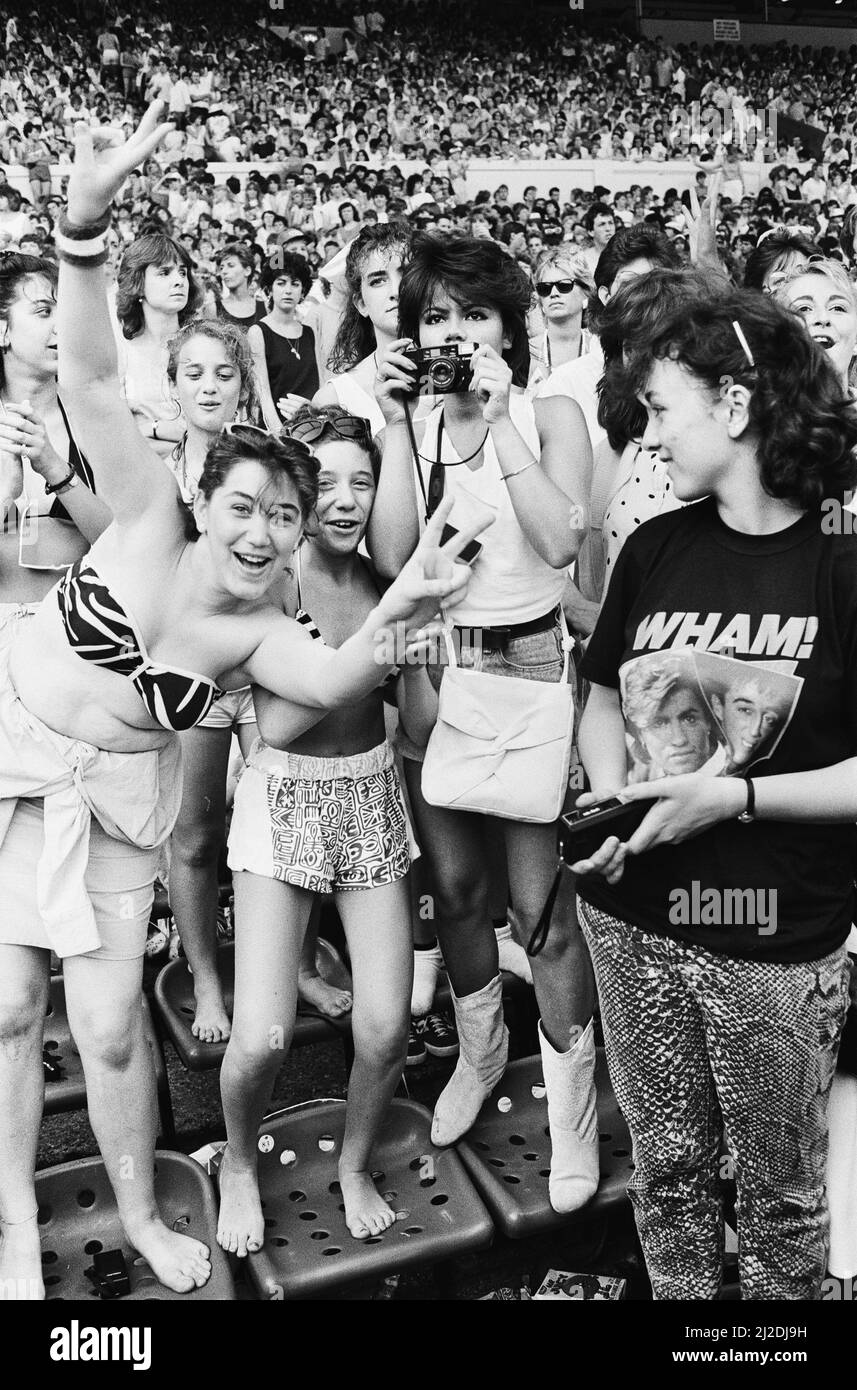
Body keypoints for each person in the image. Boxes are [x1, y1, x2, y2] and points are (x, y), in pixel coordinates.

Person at [0, 104, 480, 1301]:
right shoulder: (149, 511)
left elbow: (327, 681)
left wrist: (400, 604)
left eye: (285, 512)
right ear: (208, 496)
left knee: (105, 1029)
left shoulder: (264, 624)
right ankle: (13, 1215)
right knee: (12, 1005)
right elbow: (97, 370)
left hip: (121, 795)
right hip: (13, 748)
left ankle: (137, 1206)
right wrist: (83, 227)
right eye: (249, 504)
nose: (266, 529)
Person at [571, 288, 857, 1299]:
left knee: (779, 1197)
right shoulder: (655, 546)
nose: (646, 437)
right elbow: (599, 694)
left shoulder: (839, 558)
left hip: (770, 933)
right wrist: (614, 804)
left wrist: (732, 802)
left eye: (659, 407)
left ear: (732, 404)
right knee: (667, 1173)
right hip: (631, 917)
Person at [370, 233, 599, 1215]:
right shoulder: (416, 428)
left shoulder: (550, 414)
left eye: (471, 314)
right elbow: (390, 558)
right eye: (434, 318)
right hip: (444, 681)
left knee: (541, 912)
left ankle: (571, 1117)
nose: (453, 334)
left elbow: (558, 539)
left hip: (536, 674)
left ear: (508, 326)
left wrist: (497, 419)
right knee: (457, 893)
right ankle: (477, 1054)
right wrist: (390, 424)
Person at [218, 404, 421, 1250]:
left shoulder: (383, 580)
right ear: (298, 494)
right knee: (262, 1037)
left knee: (385, 1023)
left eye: (362, 482)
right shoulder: (278, 585)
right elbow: (275, 728)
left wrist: (417, 652)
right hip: (284, 798)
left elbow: (419, 724)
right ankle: (235, 1161)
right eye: (326, 482)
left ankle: (352, 1161)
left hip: (371, 794)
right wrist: (373, 643)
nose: (345, 500)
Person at [0, 254, 111, 610]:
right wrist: (5, 496)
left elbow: (124, 544)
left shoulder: (94, 417)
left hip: (78, 629)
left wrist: (57, 471)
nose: (62, 326)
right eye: (44, 311)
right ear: (2, 328)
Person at [314, 223, 411, 435]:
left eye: (406, 274)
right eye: (378, 281)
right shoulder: (335, 399)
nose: (396, 290)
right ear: (361, 304)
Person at [115, 231, 204, 457]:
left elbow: (214, 431)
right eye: (164, 272)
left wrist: (149, 429)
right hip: (142, 473)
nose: (179, 281)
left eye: (182, 272)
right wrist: (162, 431)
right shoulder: (121, 352)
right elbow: (117, 437)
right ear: (138, 283)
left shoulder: (204, 345)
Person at [248, 252, 319, 433]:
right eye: (281, 283)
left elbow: (319, 384)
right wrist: (280, 435)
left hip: (310, 428)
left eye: (295, 284)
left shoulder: (309, 333)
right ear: (269, 290)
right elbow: (262, 394)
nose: (288, 290)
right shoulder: (258, 332)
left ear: (303, 291)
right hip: (276, 432)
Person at [527, 248, 593, 393]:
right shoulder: (527, 352)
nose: (554, 294)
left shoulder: (599, 349)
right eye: (545, 288)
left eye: (564, 286)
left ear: (585, 293)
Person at [215, 243, 266, 329]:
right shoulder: (213, 309)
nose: (224, 271)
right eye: (221, 268)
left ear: (247, 270)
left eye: (230, 265)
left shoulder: (265, 308)